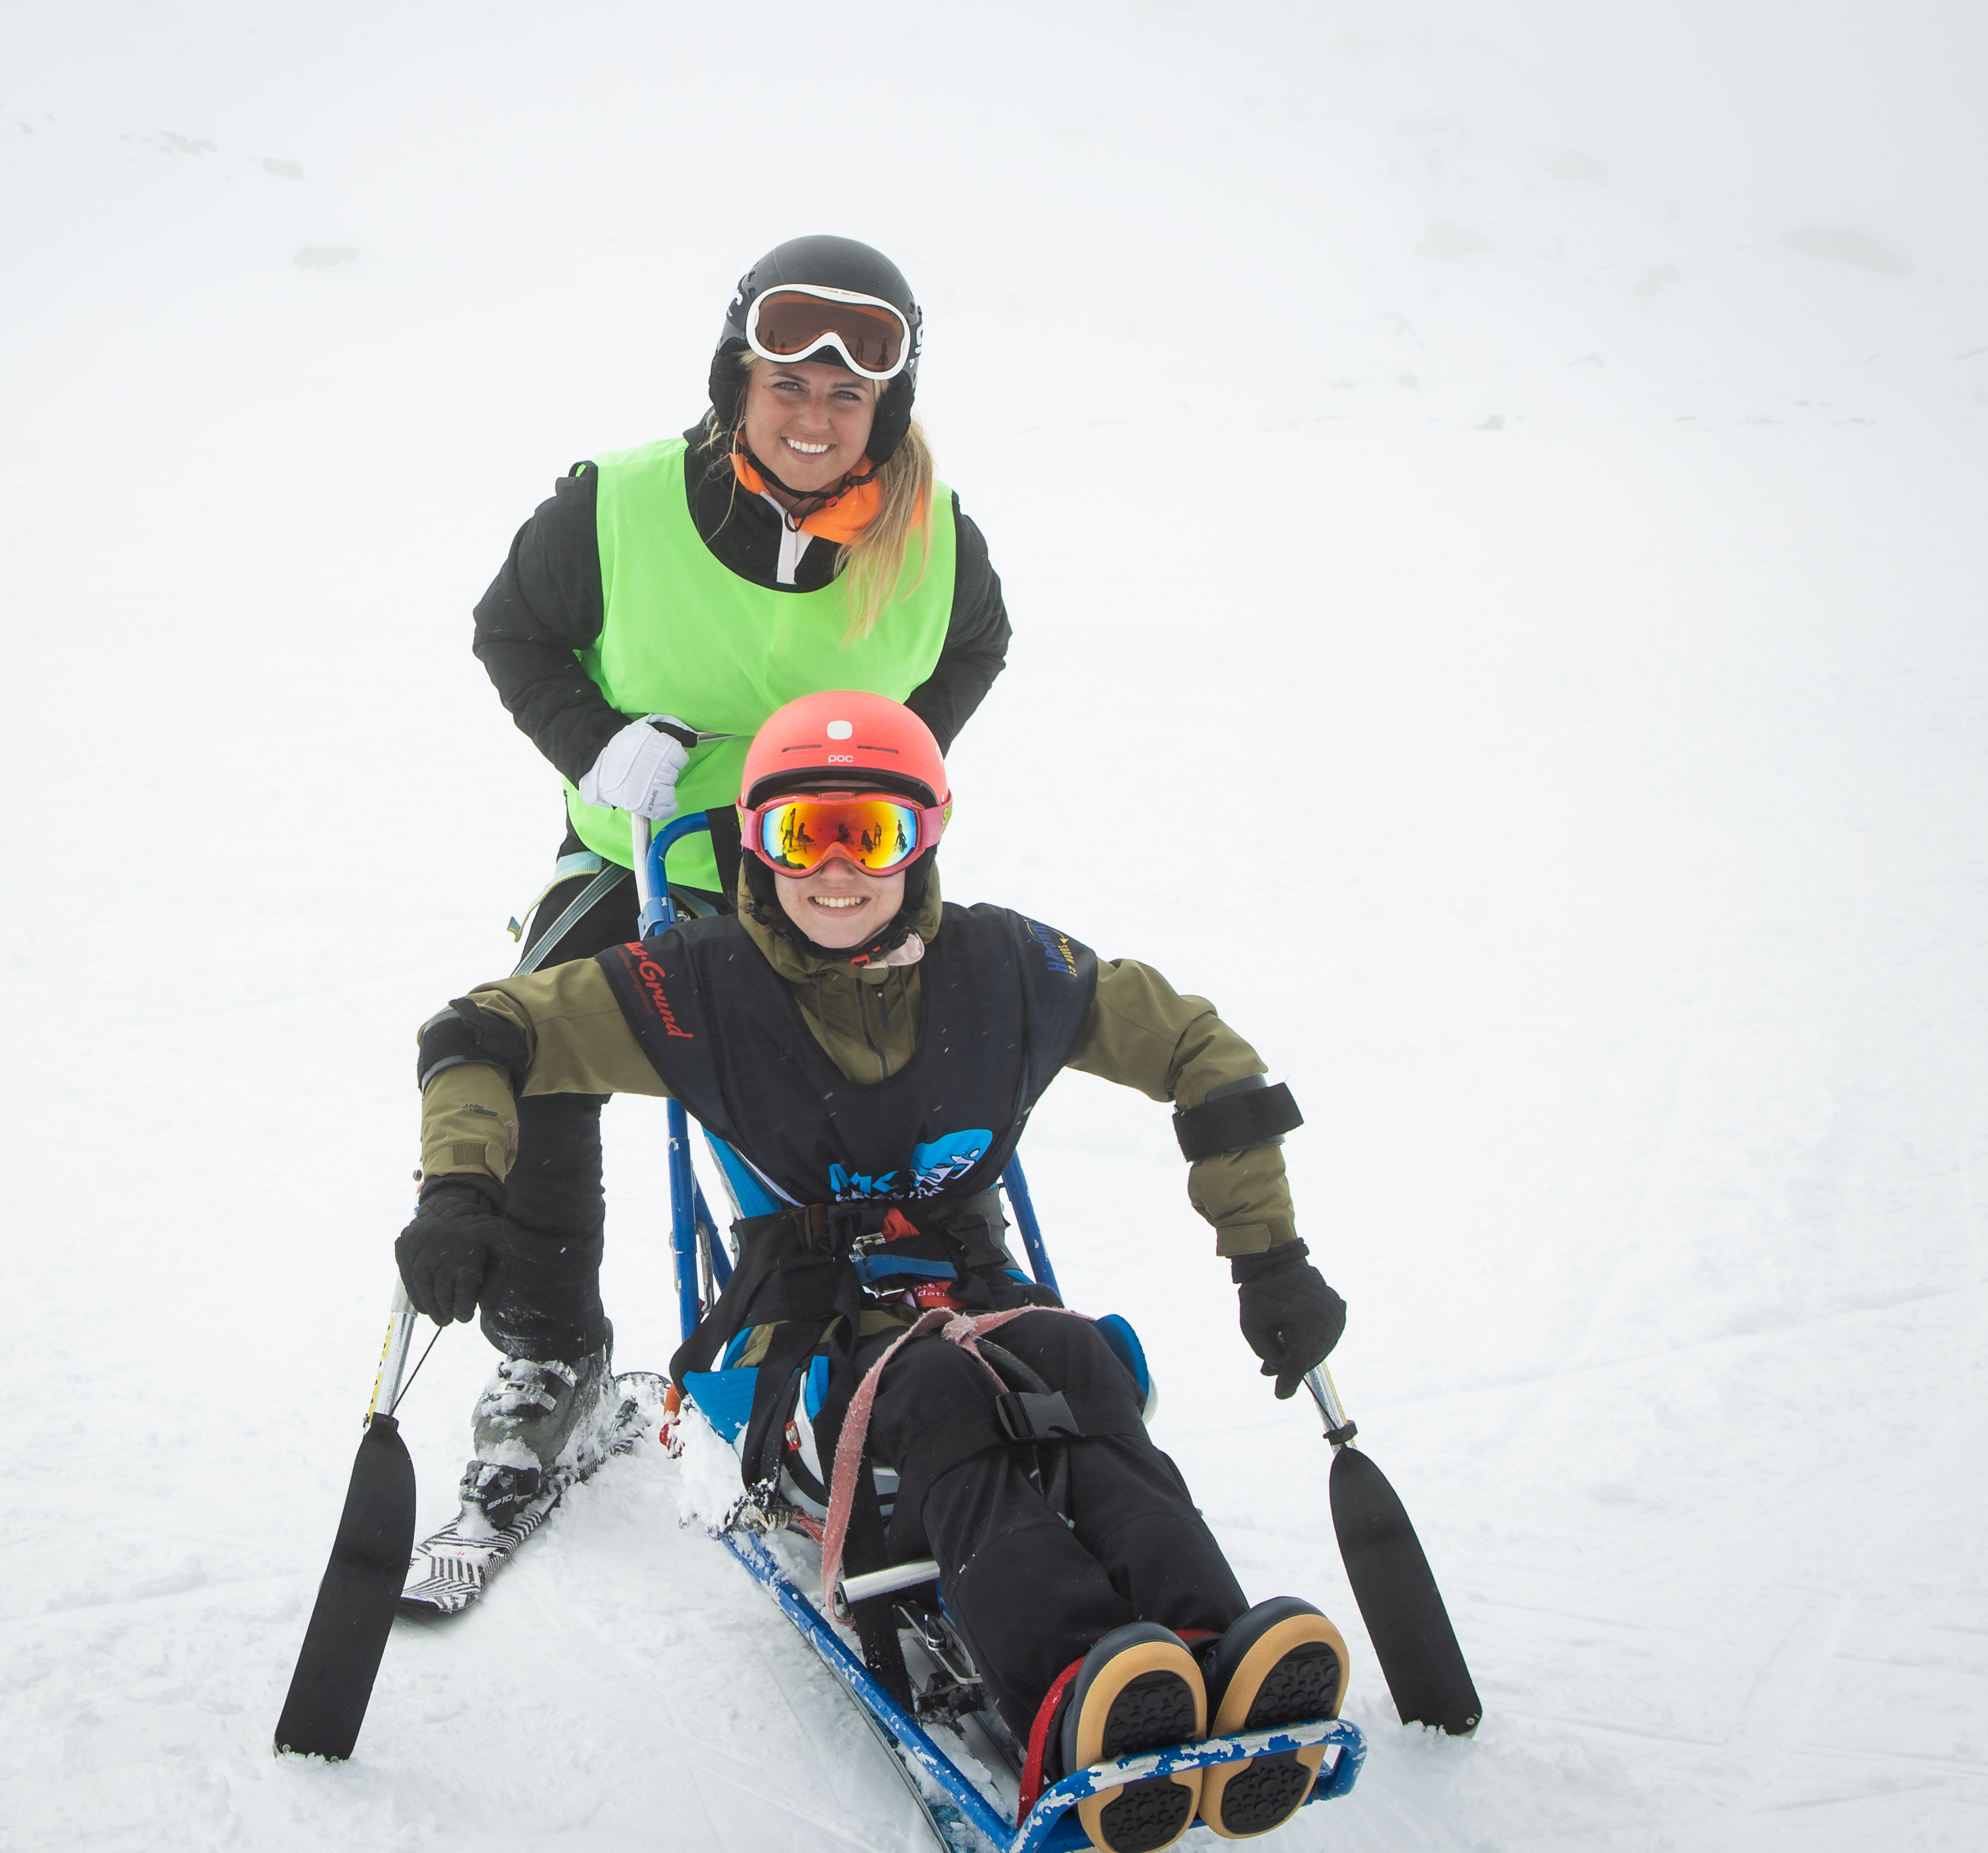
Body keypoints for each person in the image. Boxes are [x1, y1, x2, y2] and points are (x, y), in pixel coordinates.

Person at [396, 691, 1355, 1853]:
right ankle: (1069, 1688)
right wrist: (460, 1189)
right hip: (810, 1348)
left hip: (980, 1296)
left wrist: (1271, 1256)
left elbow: (1201, 1048)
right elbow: (482, 1029)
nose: (839, 871)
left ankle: (1217, 1651)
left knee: (1076, 1358)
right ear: (758, 846)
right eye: (806, 837)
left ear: (926, 844)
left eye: (875, 834)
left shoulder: (1006, 967)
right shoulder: (692, 985)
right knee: (944, 1398)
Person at [449, 235, 1013, 1534]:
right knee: (545, 1042)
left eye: (849, 394)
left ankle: (955, 1308)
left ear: (887, 406)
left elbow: (978, 644)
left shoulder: (933, 535)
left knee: (913, 1041)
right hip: (637, 841)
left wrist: (894, 766)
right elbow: (509, 629)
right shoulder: (620, 504)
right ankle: (551, 1353)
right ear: (737, 383)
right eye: (788, 385)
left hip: (828, 855)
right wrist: (596, 743)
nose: (816, 416)